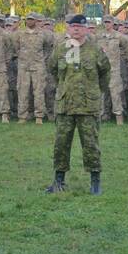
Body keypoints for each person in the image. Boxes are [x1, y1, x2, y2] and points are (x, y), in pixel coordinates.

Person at [45, 14, 108, 195]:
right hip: (66, 105)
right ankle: (59, 181)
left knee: (90, 144)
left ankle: (95, 182)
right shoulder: (60, 49)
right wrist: (63, 88)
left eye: (79, 27)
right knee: (61, 144)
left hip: (88, 106)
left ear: (86, 28)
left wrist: (95, 93)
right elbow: (53, 70)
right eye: (73, 27)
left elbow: (105, 72)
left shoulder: (95, 50)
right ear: (68, 29)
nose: (76, 30)